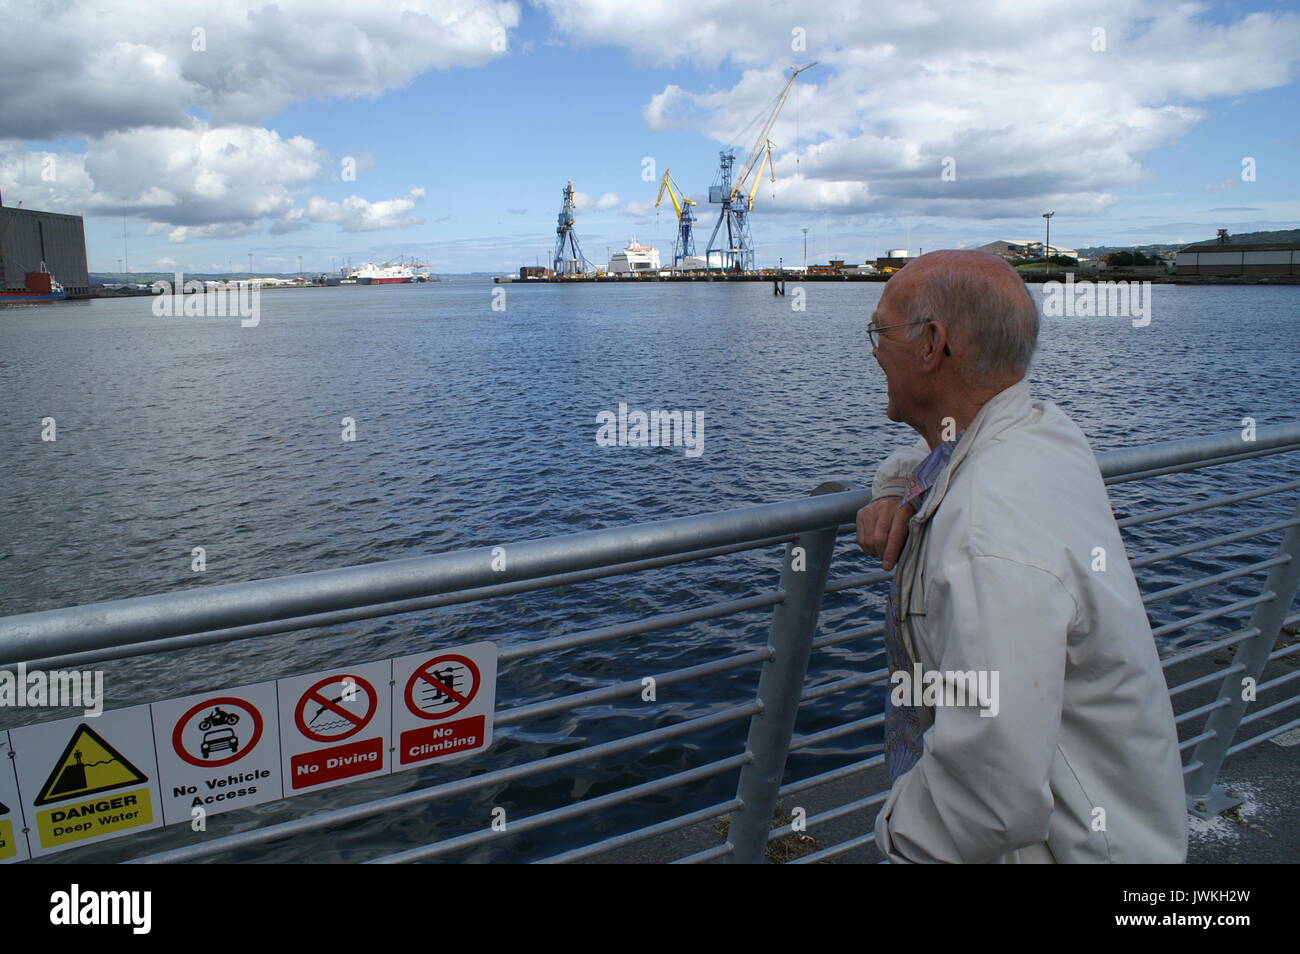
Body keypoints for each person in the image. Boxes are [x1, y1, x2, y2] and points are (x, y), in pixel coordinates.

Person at [856, 249, 1187, 863]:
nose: (872, 351)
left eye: (880, 332)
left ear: (933, 345)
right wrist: (894, 490)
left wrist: (893, 843)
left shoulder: (988, 535)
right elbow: (937, 459)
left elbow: (989, 799)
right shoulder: (1040, 432)